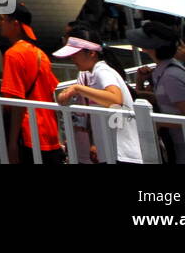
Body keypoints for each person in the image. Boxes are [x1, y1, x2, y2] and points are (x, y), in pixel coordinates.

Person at [129, 20, 185, 163]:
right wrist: (140, 81)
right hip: (184, 142)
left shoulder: (171, 75)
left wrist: (157, 122)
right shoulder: (165, 69)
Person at [52, 25, 142, 164]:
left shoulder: (102, 71)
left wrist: (78, 88)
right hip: (115, 152)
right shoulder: (94, 72)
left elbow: (115, 99)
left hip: (121, 154)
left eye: (75, 54)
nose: (71, 58)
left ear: (91, 53)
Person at [0, 4, 63, 164]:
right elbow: (53, 91)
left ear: (15, 24)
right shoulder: (40, 54)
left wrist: (12, 142)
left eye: (2, 19)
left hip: (28, 133)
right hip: (49, 131)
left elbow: (17, 101)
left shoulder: (13, 54)